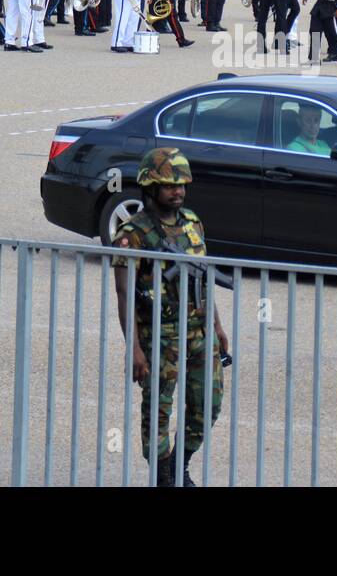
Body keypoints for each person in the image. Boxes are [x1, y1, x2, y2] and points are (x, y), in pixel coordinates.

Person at [110, 148, 226, 487]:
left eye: (181, 185)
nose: (178, 191)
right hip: (158, 334)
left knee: (208, 404)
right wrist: (133, 347)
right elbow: (124, 292)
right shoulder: (133, 233)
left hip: (199, 329)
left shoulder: (192, 222)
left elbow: (202, 277)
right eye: (169, 185)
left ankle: (179, 464)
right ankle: (163, 476)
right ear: (150, 188)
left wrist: (217, 325)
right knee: (158, 411)